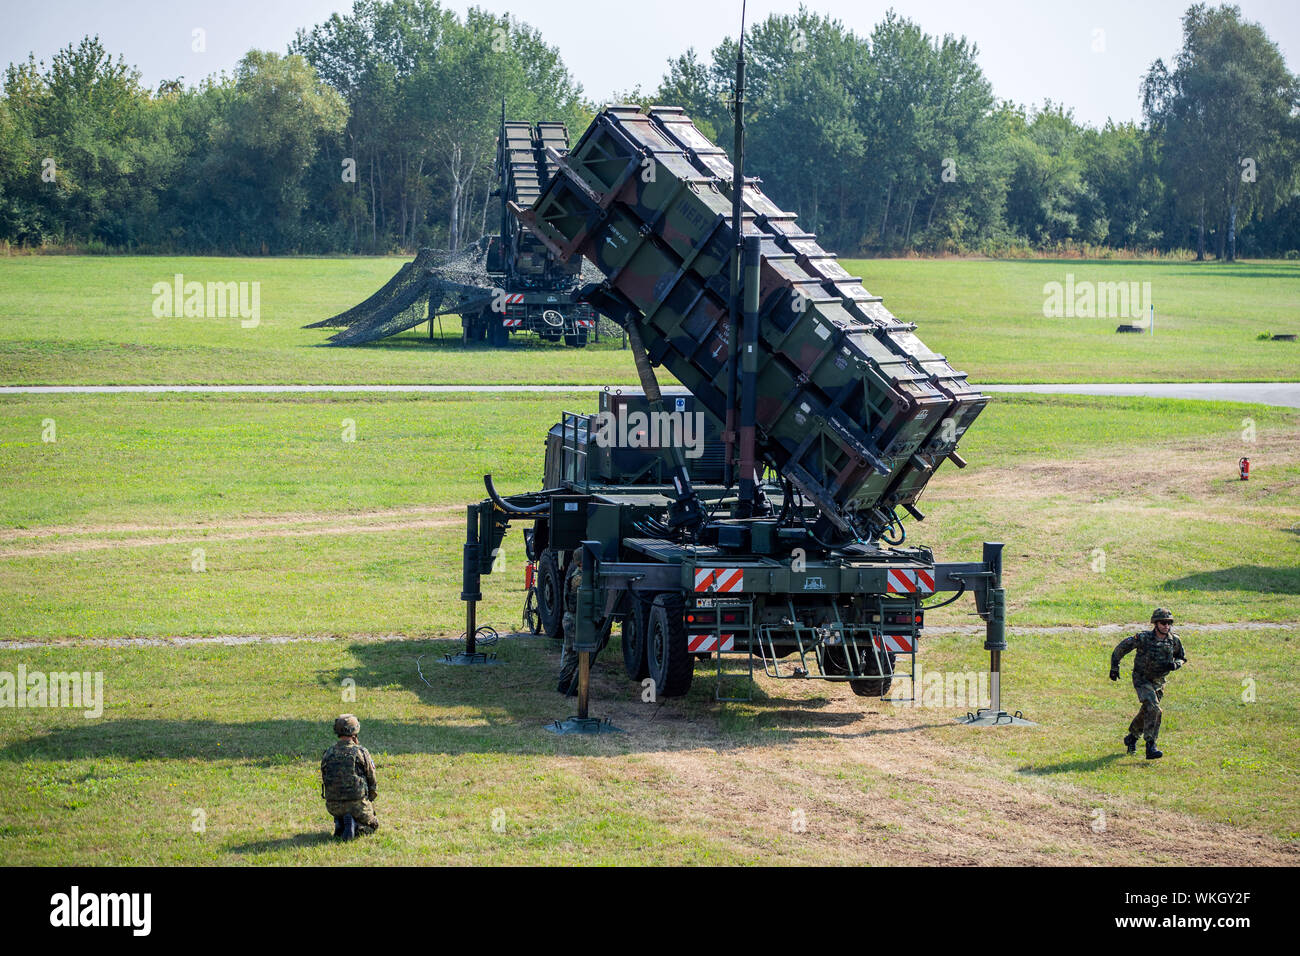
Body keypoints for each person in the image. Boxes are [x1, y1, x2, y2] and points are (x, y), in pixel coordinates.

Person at [1109, 608, 1187, 760]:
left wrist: (1176, 664)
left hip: (1159, 682)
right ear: (1155, 624)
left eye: (1169, 623)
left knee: (1147, 711)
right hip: (1142, 679)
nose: (1166, 626)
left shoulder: (1174, 640)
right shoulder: (1143, 638)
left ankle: (1132, 737)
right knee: (1154, 708)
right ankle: (1151, 745)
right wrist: (1114, 666)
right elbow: (1122, 647)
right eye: (1163, 623)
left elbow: (1182, 658)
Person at [320, 714, 379, 839]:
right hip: (357, 804)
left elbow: (325, 778)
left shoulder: (328, 753)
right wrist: (370, 799)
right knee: (373, 826)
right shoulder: (361, 752)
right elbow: (371, 778)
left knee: (343, 812)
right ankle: (355, 826)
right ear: (355, 730)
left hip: (333, 806)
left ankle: (340, 822)